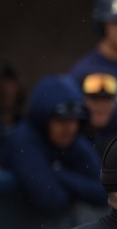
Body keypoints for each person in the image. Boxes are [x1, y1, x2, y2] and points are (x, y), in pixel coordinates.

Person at [6, 77, 106, 216]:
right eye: (61, 120)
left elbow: (104, 193)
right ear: (45, 119)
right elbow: (52, 199)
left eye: (74, 119)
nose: (70, 128)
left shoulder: (75, 140)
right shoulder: (24, 139)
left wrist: (59, 173)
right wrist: (79, 187)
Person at [78, 72, 117, 151]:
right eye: (95, 100)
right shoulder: (72, 134)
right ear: (83, 102)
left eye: (107, 100)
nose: (101, 106)